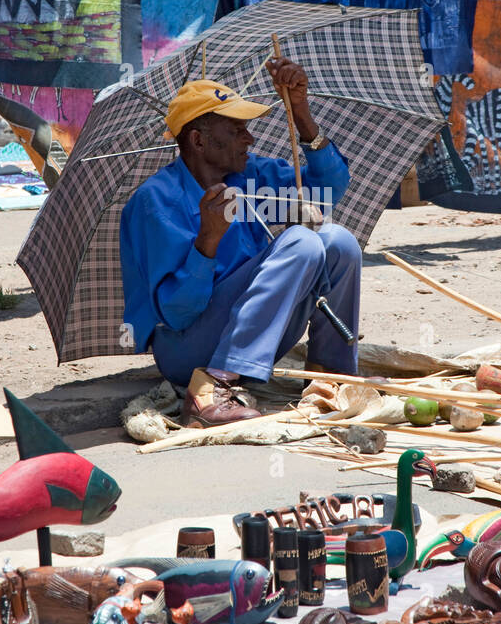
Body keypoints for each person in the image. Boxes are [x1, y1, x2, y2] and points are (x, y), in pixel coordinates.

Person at [119, 58, 361, 427]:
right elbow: (176, 314)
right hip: (188, 350)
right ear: (198, 140)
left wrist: (300, 112)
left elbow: (329, 190)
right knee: (301, 242)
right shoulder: (156, 201)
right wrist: (208, 240)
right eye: (236, 131)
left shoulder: (252, 176)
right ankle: (210, 390)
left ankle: (330, 375)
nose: (250, 138)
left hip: (249, 331)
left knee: (336, 239)